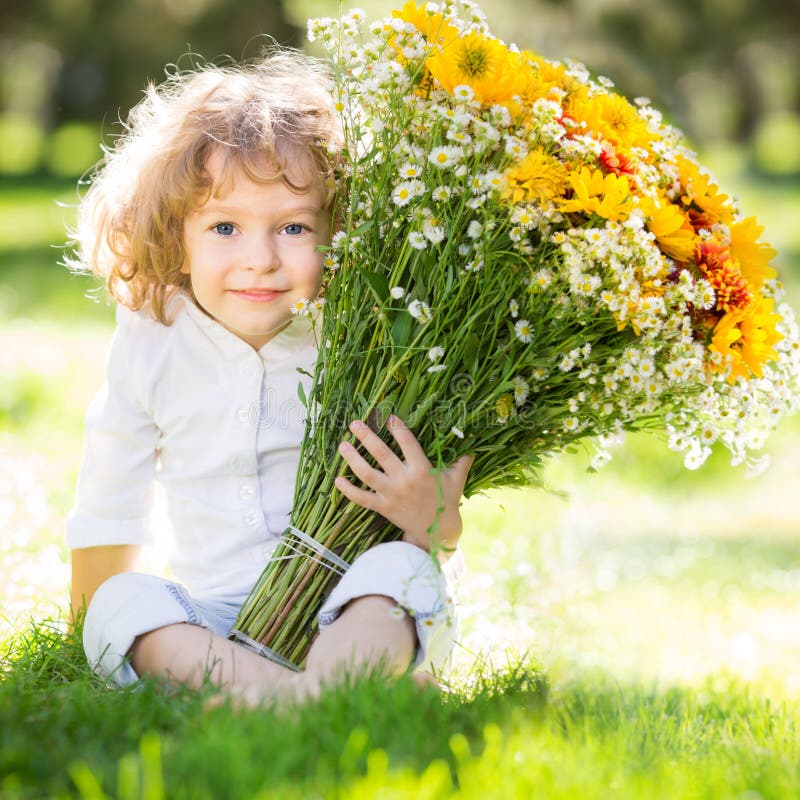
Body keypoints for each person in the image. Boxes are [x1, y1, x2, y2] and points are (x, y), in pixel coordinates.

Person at [66, 50, 474, 706]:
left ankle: (299, 692)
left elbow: (433, 533)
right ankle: (310, 698)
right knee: (123, 605)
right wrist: (89, 624)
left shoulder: (363, 340)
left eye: (293, 228)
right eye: (225, 227)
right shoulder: (153, 336)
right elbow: (111, 494)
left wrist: (432, 525)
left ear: (339, 231)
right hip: (213, 625)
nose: (260, 260)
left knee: (400, 573)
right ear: (177, 234)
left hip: (348, 606)